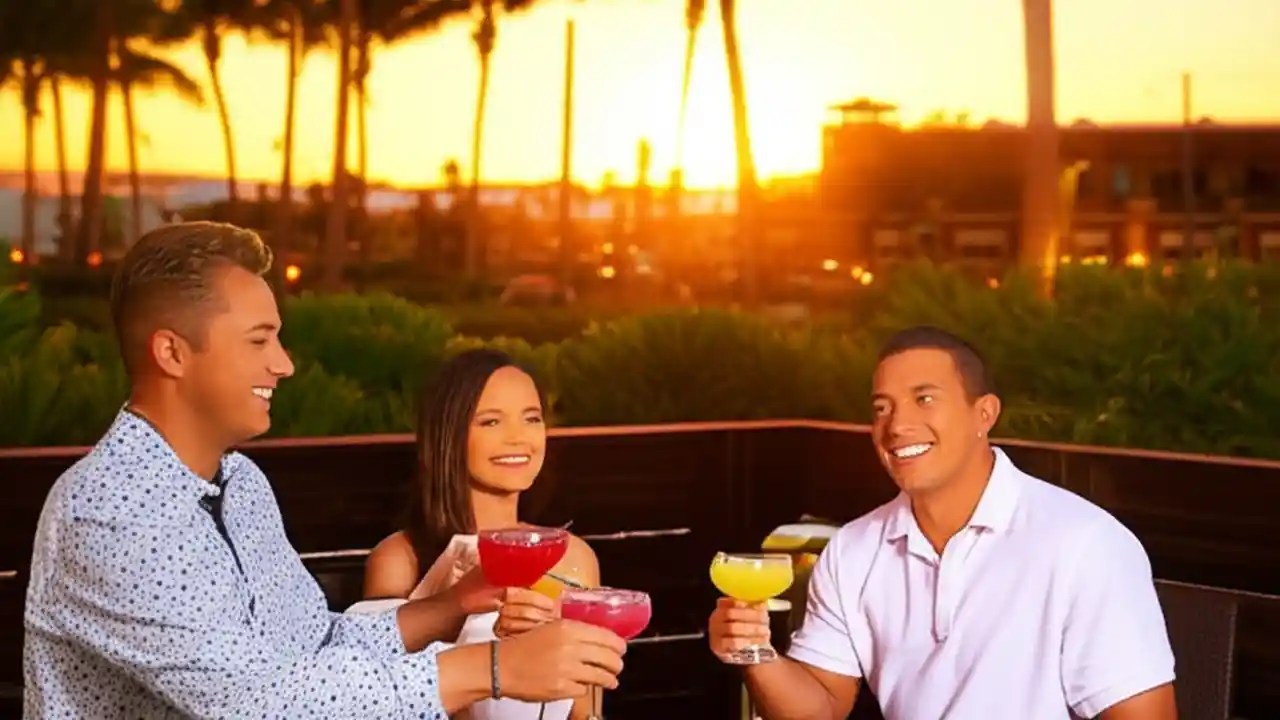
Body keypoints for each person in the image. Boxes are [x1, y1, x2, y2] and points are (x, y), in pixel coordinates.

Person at [23, 221, 626, 718]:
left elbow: (311, 647)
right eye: (259, 341)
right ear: (172, 352)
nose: (282, 365)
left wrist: (453, 606)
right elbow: (255, 703)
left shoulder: (241, 487)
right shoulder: (109, 511)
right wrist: (491, 669)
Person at [708, 325, 1178, 719]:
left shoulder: (1083, 543)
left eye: (924, 399)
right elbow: (822, 709)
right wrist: (753, 652)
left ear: (984, 414)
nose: (896, 425)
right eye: (882, 408)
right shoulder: (855, 549)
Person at [363, 348, 600, 720]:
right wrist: (451, 612)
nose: (518, 438)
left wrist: (561, 646)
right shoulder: (400, 558)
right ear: (449, 435)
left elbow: (586, 712)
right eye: (491, 422)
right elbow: (380, 699)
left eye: (532, 418)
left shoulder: (574, 557)